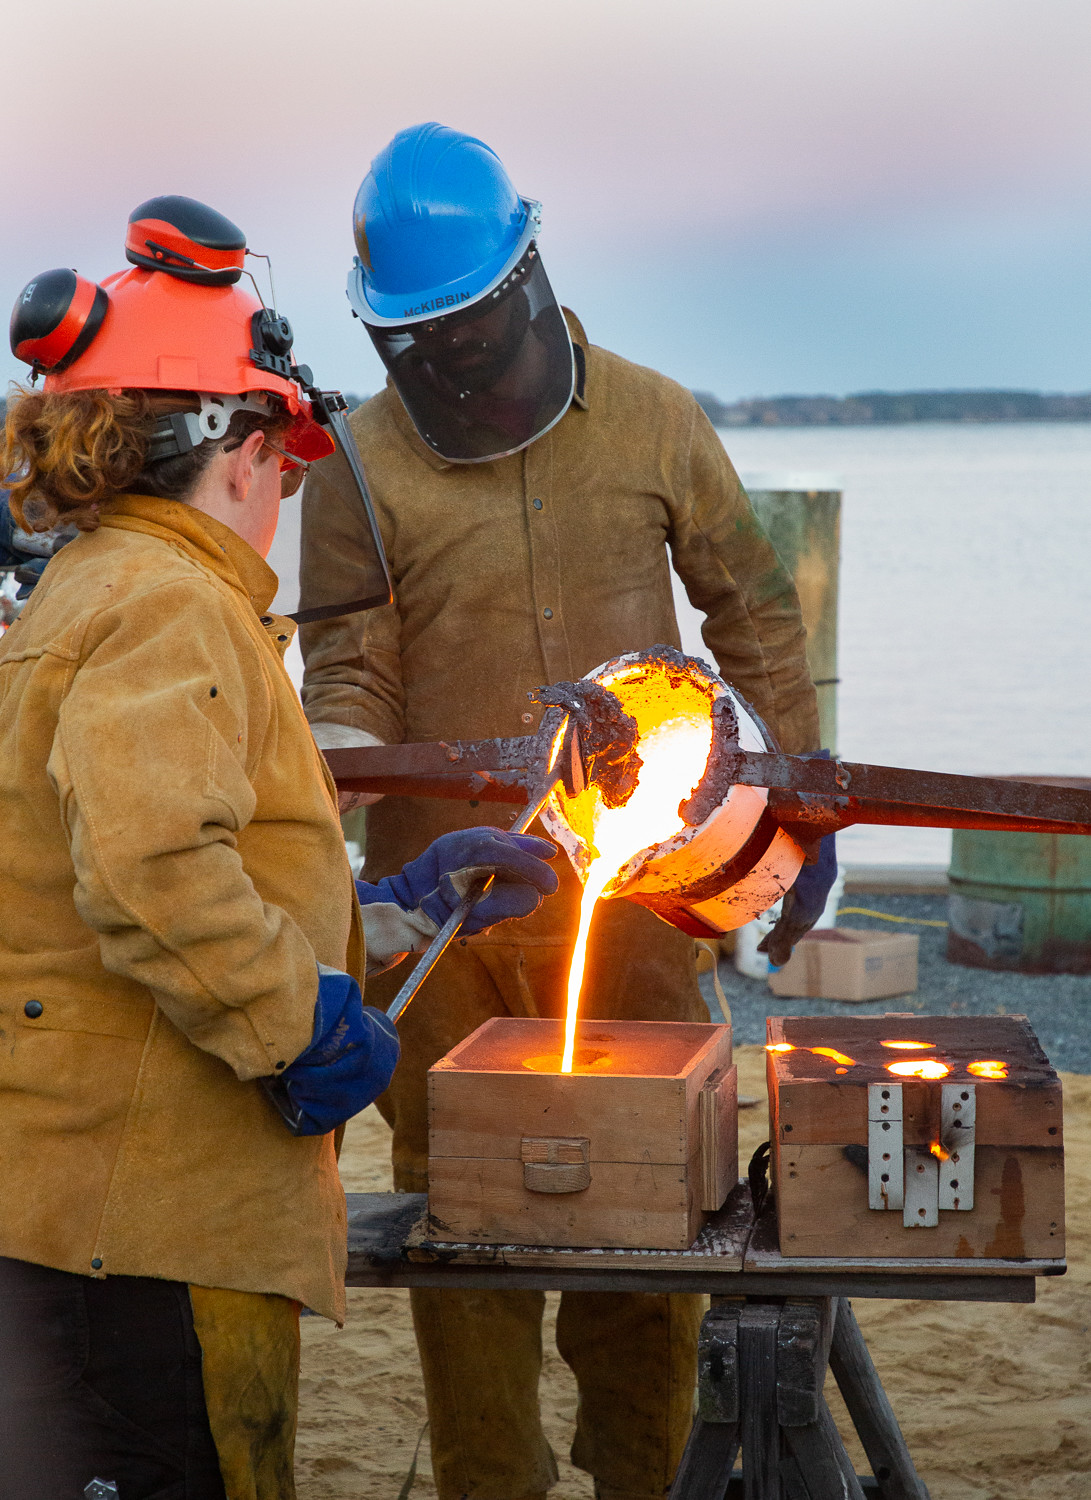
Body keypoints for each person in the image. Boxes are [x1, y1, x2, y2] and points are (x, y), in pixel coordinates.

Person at [299, 124, 836, 1500]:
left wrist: (803, 807)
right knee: (468, 1244)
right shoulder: (354, 465)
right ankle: (493, 1483)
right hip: (450, 923)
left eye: (476, 329)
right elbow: (347, 663)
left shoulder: (655, 417)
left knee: (646, 1234)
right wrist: (354, 779)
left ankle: (640, 1476)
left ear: (528, 279)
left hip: (642, 908)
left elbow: (753, 607)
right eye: (429, 344)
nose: (461, 362)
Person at [0, 194, 557, 1500]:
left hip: (84, 1218)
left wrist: (397, 915)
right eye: (287, 461)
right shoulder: (170, 608)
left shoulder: (93, 588)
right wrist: (297, 1030)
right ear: (237, 445)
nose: (287, 488)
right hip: (141, 1237)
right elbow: (150, 875)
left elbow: (166, 870)